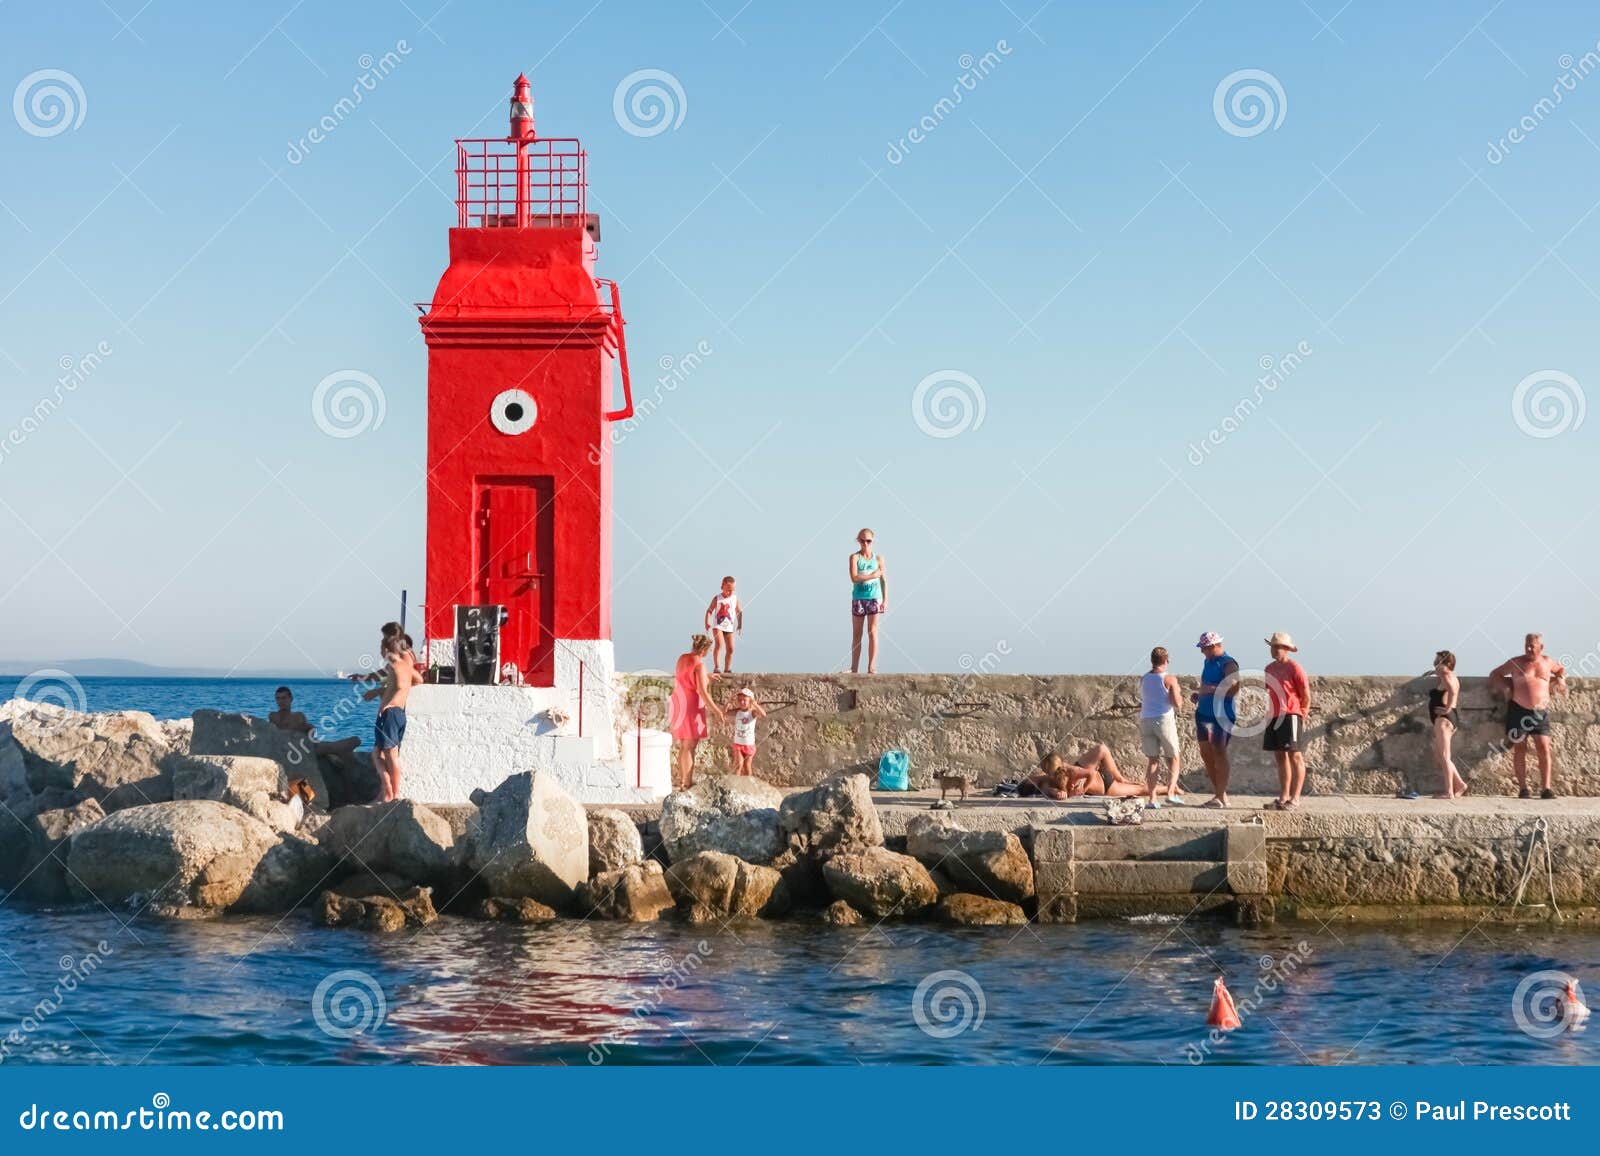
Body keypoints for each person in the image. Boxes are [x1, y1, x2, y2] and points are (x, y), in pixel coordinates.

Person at [1489, 633, 1568, 798]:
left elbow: (1560, 669)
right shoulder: (1516, 662)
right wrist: (1505, 689)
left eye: (1532, 646)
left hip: (1540, 712)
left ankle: (1546, 789)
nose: (1529, 648)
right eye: (1527, 645)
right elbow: (1495, 674)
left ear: (1541, 647)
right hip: (1519, 709)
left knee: (1543, 747)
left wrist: (1561, 679)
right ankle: (1523, 788)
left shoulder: (1547, 661)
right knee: (1520, 748)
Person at [364, 631, 421, 802]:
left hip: (391, 714)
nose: (380, 651)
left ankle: (392, 793)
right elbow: (418, 680)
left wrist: (390, 703)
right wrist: (365, 678)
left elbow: (401, 685)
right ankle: (385, 790)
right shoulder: (401, 667)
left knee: (390, 755)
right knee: (378, 753)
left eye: (382, 648)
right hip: (396, 714)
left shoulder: (397, 666)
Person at [1263, 631, 1311, 810]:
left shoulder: (1295, 668)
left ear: (1287, 649)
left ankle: (1295, 798)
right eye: (1273, 647)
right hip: (1274, 716)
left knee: (1295, 755)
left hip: (1291, 714)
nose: (1274, 650)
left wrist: (1302, 714)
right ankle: (1283, 797)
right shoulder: (1269, 669)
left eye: (1278, 647)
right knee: (1280, 756)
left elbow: (1305, 695)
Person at [1193, 631, 1239, 808]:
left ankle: (1220, 796)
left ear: (1214, 646)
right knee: (1206, 753)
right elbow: (1208, 686)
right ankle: (1220, 795)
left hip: (1221, 715)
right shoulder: (1208, 662)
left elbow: (1234, 686)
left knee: (1219, 752)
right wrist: (1200, 695)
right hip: (1203, 713)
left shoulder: (1228, 663)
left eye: (1205, 648)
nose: (1202, 651)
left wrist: (1211, 690)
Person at [670, 635, 722, 789]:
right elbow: (702, 692)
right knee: (690, 746)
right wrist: (717, 710)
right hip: (691, 705)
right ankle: (687, 783)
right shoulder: (699, 665)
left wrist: (706, 676)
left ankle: (682, 780)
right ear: (704, 650)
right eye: (709, 650)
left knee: (683, 745)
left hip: (679, 701)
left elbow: (685, 676)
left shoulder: (682, 658)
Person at [1139, 647, 1184, 807]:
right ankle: (1171, 792)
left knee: (1153, 760)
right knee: (1174, 757)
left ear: (1152, 660)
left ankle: (1152, 799)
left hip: (1146, 720)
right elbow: (1177, 703)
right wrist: (1178, 692)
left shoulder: (1144, 678)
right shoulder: (1169, 678)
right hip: (1163, 720)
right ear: (1166, 660)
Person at [1024, 745, 1149, 800]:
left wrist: (1083, 789)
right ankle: (1162, 789)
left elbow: (1090, 774)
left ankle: (1121, 778)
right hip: (1104, 786)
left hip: (1098, 781)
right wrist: (1059, 793)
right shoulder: (1046, 785)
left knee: (1101, 749)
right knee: (1141, 789)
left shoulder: (1065, 773)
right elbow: (1058, 792)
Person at [269, 686, 360, 760]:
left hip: (306, 744)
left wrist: (307, 730)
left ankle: (335, 754)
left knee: (325, 745)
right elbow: (275, 735)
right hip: (295, 748)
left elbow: (311, 731)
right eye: (278, 698)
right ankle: (338, 751)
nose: (281, 701)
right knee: (333, 746)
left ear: (291, 698)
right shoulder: (273, 716)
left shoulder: (299, 715)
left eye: (284, 698)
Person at [1428, 650, 1468, 799]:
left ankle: (1449, 792)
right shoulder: (1448, 675)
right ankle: (1461, 784)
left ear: (1447, 664)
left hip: (1444, 720)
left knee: (1445, 756)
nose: (1435, 664)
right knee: (1441, 756)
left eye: (1438, 661)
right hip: (1446, 719)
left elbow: (1451, 690)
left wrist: (1448, 708)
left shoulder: (1446, 673)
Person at [848, 528, 886, 674]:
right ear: (858, 540)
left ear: (872, 541)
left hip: (874, 598)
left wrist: (885, 600)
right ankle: (854, 668)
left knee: (872, 632)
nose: (865, 543)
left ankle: (871, 667)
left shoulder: (878, 559)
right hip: (859, 598)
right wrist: (872, 575)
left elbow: (883, 580)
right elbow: (854, 577)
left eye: (868, 541)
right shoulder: (854, 558)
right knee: (857, 634)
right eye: (862, 541)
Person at [704, 576, 743, 674]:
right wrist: (707, 622)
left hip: (729, 627)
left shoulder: (734, 598)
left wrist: (739, 624)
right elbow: (709, 611)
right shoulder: (717, 598)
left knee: (731, 648)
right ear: (722, 587)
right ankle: (717, 667)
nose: (730, 592)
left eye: (732, 590)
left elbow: (739, 612)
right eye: (728, 590)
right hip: (718, 626)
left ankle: (727, 669)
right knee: (719, 644)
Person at [727, 687, 768, 776]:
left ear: (750, 701)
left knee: (747, 766)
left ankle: (748, 781)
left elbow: (763, 714)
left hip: (749, 744)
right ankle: (736, 782)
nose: (742, 702)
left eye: (744, 700)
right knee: (739, 764)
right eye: (739, 700)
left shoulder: (752, 712)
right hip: (738, 744)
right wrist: (728, 702)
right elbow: (724, 712)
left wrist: (755, 704)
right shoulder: (737, 712)